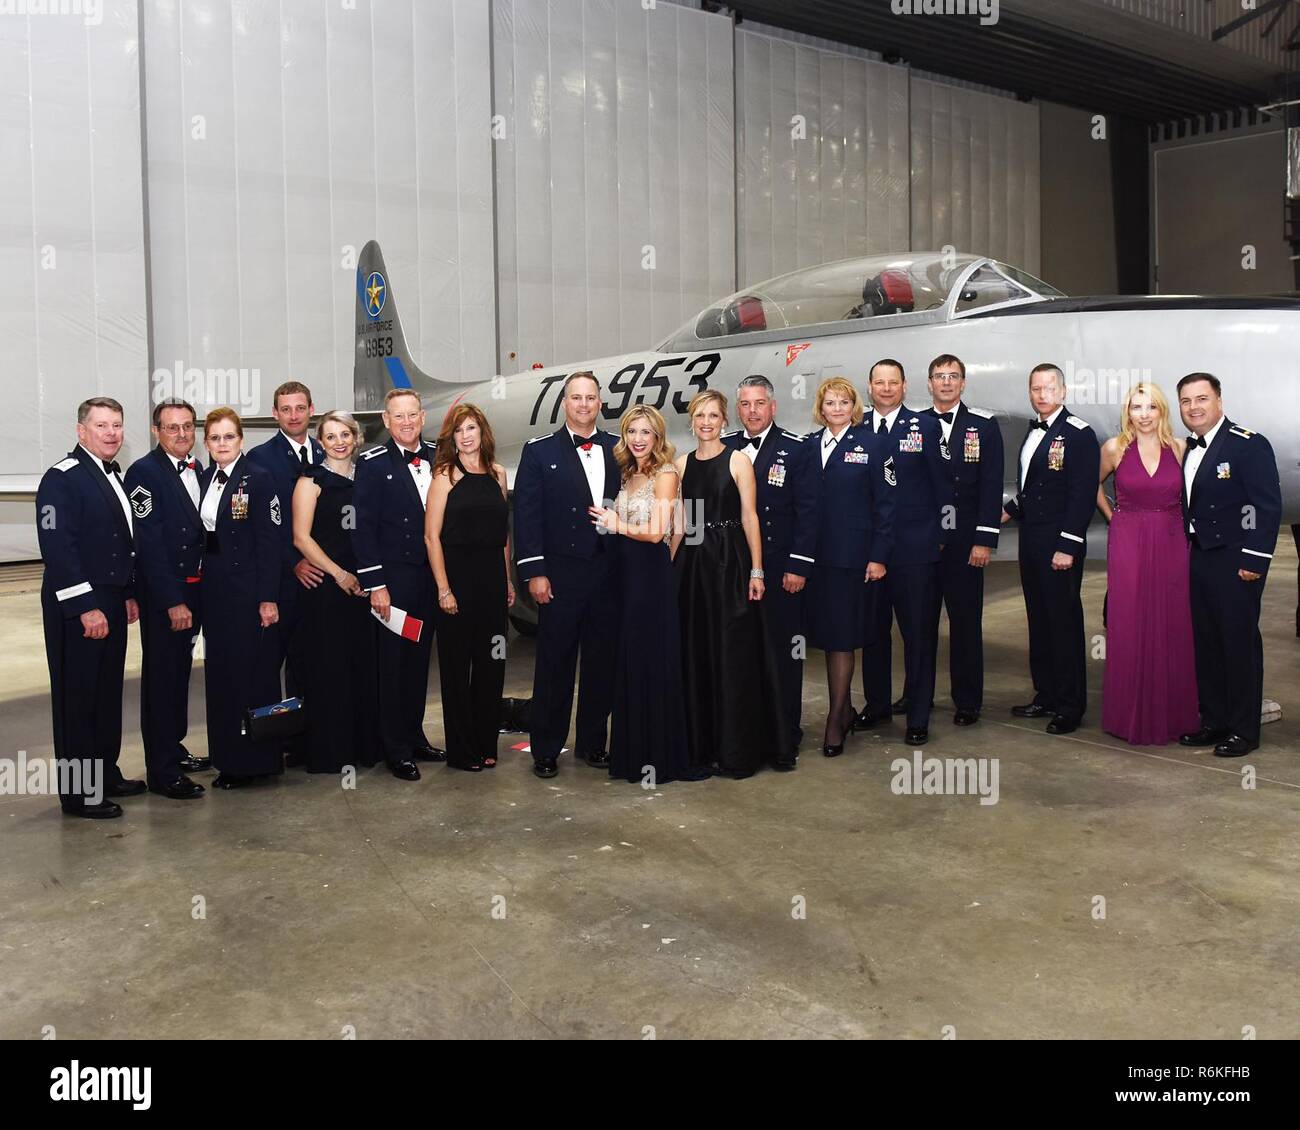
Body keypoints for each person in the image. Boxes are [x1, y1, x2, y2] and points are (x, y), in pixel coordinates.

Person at [35, 397, 142, 818]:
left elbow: (120, 543)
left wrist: (128, 591)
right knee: (78, 697)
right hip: (80, 605)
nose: (112, 432)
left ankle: (105, 772)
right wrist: (85, 607)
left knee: (106, 691)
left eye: (117, 425)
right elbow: (58, 548)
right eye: (102, 425)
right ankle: (80, 794)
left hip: (112, 599)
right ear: (81, 431)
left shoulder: (109, 475)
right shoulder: (62, 479)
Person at [674, 390, 789, 777]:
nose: (706, 422)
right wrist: (669, 571)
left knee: (733, 655)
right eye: (699, 415)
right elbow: (682, 525)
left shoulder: (738, 460)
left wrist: (757, 570)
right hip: (693, 568)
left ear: (725, 421)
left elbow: (750, 518)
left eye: (713, 415)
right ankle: (701, 746)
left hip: (731, 566)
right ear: (692, 421)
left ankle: (737, 749)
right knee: (698, 653)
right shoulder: (681, 464)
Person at [513, 371, 621, 779]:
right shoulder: (539, 452)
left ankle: (593, 744)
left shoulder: (618, 448)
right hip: (559, 578)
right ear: (564, 403)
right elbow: (527, 518)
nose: (583, 404)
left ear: (599, 403)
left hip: (608, 577)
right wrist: (535, 573)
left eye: (590, 398)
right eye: (576, 398)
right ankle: (545, 748)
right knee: (555, 665)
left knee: (601, 665)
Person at [1176, 373, 1282, 757]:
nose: (1194, 407)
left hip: (1237, 562)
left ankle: (1243, 729)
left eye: (1202, 398)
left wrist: (1253, 558)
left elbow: (1264, 505)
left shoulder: (1247, 445)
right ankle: (1214, 720)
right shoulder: (1191, 448)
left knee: (1238, 644)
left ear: (1219, 400)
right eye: (1186, 401)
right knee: (1207, 643)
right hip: (1202, 557)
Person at [588, 406, 692, 784]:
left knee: (652, 658)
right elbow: (679, 527)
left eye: (646, 432)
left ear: (658, 437)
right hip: (628, 575)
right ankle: (634, 752)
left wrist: (618, 524)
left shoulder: (665, 474)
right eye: (632, 431)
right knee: (632, 658)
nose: (637, 439)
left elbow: (658, 530)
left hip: (649, 576)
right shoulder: (629, 472)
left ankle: (658, 756)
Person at [1094, 383, 1197, 746]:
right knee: (1130, 621)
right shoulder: (1114, 448)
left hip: (1171, 540)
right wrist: (1112, 516)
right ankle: (1129, 713)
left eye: (1151, 406)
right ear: (1128, 412)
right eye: (1137, 407)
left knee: (1173, 620)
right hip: (1129, 541)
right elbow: (1090, 484)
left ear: (1162, 411)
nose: (1144, 414)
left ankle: (1176, 713)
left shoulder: (1181, 448)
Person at [1001, 364, 1100, 735]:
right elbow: (1034, 489)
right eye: (1036, 388)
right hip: (1032, 540)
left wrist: (1067, 546)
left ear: (1063, 391)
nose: (1042, 394)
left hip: (1059, 543)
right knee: (1039, 620)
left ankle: (1070, 706)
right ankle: (1045, 694)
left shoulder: (1078, 434)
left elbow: (1080, 496)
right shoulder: (1033, 430)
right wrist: (1009, 510)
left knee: (1063, 623)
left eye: (1048, 388)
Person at [724, 376, 818, 766]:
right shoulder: (725, 448)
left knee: (784, 655)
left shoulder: (797, 450)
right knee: (741, 655)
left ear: (773, 407)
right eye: (745, 404)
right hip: (733, 571)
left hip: (781, 571)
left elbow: (810, 514)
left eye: (759, 403)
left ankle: (786, 736)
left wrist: (798, 565)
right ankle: (748, 733)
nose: (752, 411)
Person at [353, 389, 444, 780]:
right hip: (395, 581)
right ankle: (395, 748)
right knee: (394, 665)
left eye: (412, 415)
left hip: (431, 578)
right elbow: (363, 528)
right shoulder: (372, 463)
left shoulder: (441, 456)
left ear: (422, 417)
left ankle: (415, 734)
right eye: (398, 417)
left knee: (421, 661)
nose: (406, 423)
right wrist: (376, 584)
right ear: (387, 422)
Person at [803, 377, 895, 757]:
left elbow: (887, 505)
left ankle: (835, 718)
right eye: (830, 402)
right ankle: (845, 708)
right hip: (815, 560)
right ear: (820, 408)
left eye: (843, 402)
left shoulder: (873, 445)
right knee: (826, 638)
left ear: (854, 406)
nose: (836, 408)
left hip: (853, 560)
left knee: (842, 639)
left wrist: (879, 555)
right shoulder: (808, 447)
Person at [860, 359, 949, 746]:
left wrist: (940, 537)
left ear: (905, 386)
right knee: (873, 634)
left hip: (915, 551)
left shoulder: (927, 427)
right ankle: (877, 705)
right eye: (878, 382)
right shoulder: (856, 428)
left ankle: (917, 715)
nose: (885, 388)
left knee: (917, 635)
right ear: (869, 386)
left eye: (892, 382)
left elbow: (945, 487)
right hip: (868, 552)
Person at [123, 397, 207, 799]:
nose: (182, 434)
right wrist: (173, 601)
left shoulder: (200, 469)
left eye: (188, 426)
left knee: (179, 677)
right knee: (162, 681)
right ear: (156, 431)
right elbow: (150, 545)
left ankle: (173, 748)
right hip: (167, 596)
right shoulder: (143, 473)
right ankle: (162, 771)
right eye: (172, 427)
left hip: (197, 590)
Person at [291, 410, 382, 773]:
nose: (339, 442)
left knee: (364, 665)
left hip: (367, 586)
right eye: (331, 436)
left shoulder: (369, 479)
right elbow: (301, 537)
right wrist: (339, 574)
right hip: (328, 589)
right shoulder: (310, 481)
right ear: (320, 442)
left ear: (356, 438)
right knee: (330, 669)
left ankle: (365, 747)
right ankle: (333, 751)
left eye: (345, 434)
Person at [197, 408, 284, 789]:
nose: (221, 444)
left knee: (252, 678)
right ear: (206, 443)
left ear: (241, 439)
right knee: (221, 679)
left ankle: (256, 763)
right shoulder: (205, 479)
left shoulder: (259, 479)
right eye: (214, 438)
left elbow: (271, 543)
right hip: (215, 596)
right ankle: (228, 759)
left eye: (228, 437)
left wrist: (268, 597)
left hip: (249, 596)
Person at [425, 405, 514, 772]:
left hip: (492, 579)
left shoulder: (498, 474)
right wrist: (444, 589)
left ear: (483, 432)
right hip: (457, 582)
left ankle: (485, 742)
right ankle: (462, 751)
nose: (466, 435)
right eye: (459, 430)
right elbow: (431, 537)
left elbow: (504, 534)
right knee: (457, 669)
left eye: (472, 427)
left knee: (492, 666)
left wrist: (507, 578)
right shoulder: (444, 476)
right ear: (452, 437)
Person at [918, 354, 1004, 727]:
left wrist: (984, 539)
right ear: (930, 383)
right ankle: (917, 694)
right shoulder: (915, 425)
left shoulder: (983, 426)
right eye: (940, 376)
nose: (947, 383)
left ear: (963, 382)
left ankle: (967, 700)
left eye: (954, 376)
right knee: (920, 624)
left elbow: (991, 485)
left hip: (967, 542)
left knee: (965, 623)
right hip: (923, 544)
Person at [247, 380, 325, 765]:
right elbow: (264, 527)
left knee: (310, 663)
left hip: (321, 582)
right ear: (275, 414)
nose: (294, 415)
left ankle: (304, 738)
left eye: (300, 407)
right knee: (267, 666)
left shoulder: (330, 452)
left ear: (312, 409)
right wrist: (293, 562)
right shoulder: (259, 459)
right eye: (286, 409)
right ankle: (266, 744)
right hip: (280, 582)